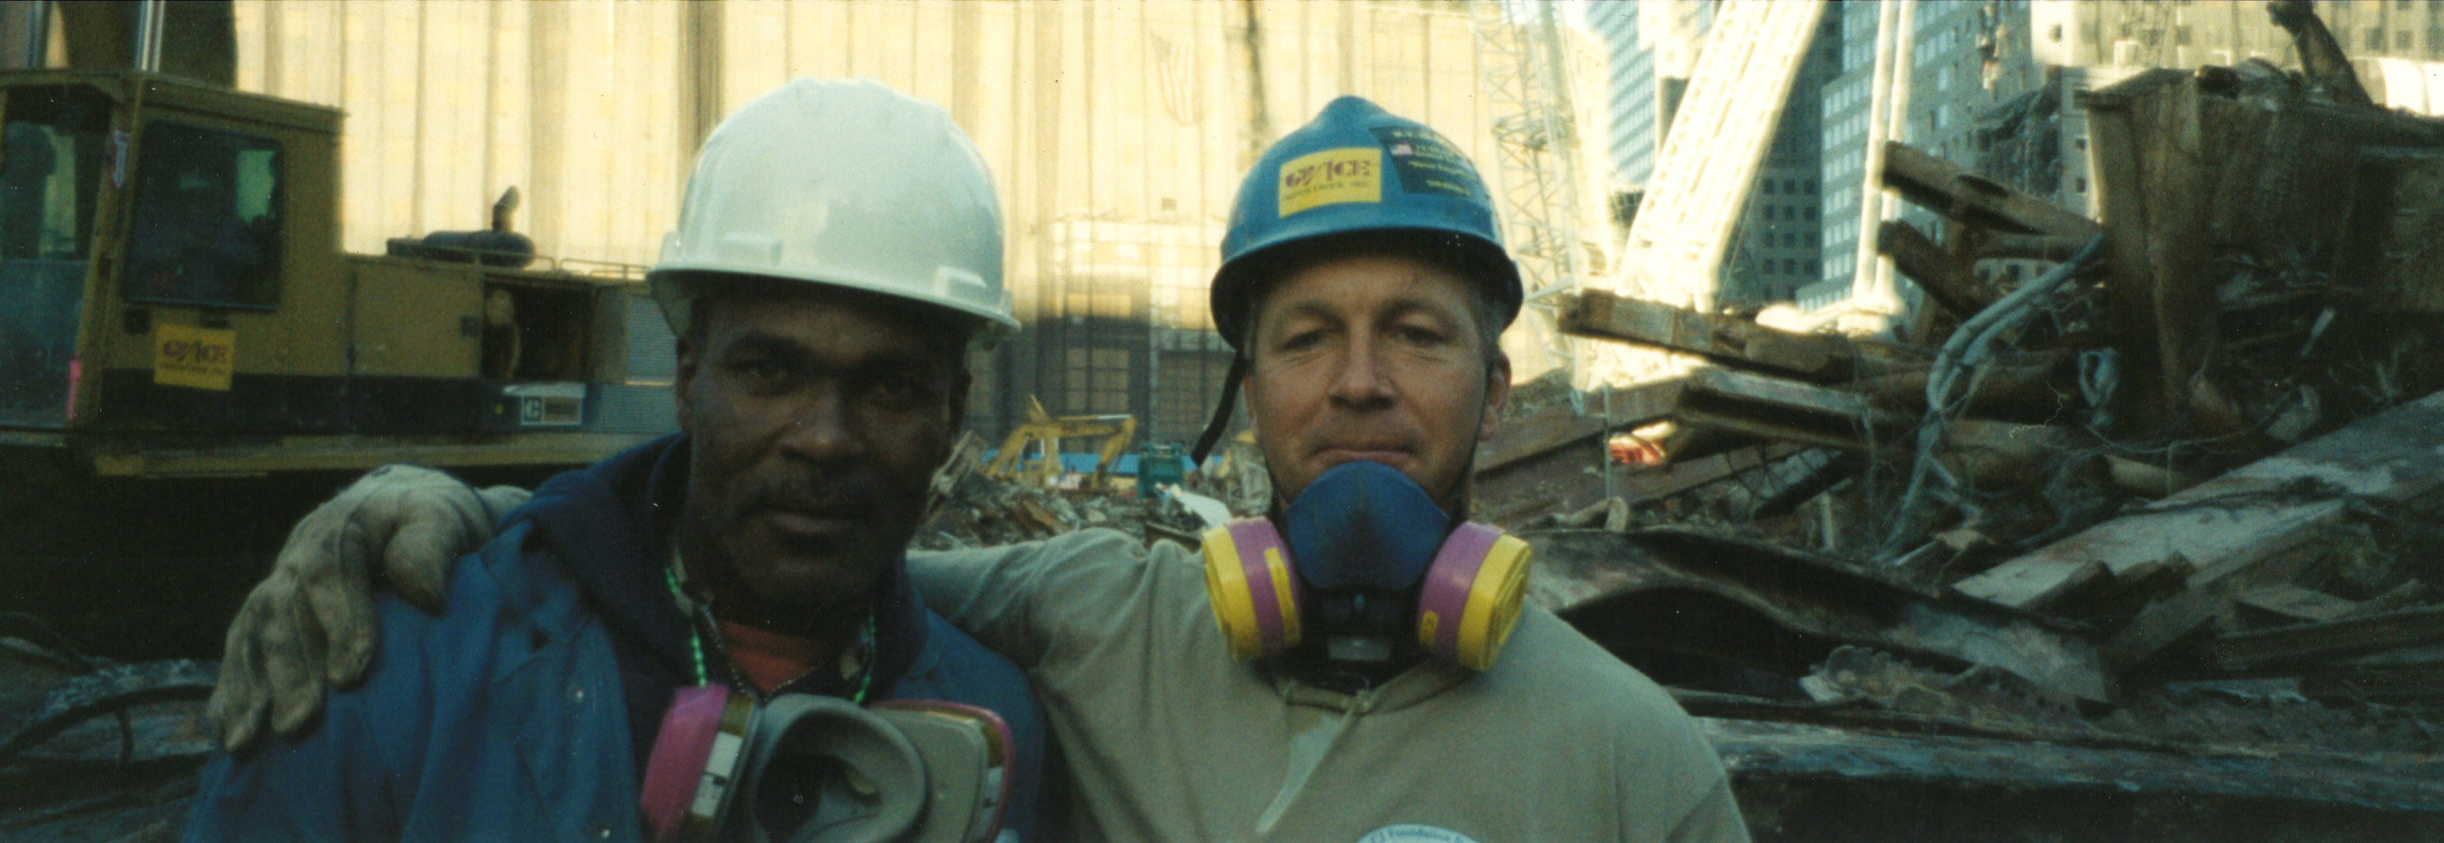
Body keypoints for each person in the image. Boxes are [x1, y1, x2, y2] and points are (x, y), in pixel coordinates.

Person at [210, 96, 1748, 841]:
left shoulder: (1638, 760)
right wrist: (460, 507)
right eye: (1303, 336)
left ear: (1498, 382)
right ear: (1249, 389)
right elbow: (751, 544)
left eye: (1414, 332)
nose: (1355, 380)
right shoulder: (1092, 626)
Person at [185, 77, 1047, 842]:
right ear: (686, 376)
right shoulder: (389, 665)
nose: (824, 436)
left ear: (953, 416)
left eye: (891, 387)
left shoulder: (998, 724)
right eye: (769, 371)